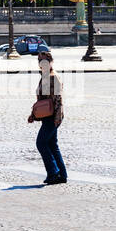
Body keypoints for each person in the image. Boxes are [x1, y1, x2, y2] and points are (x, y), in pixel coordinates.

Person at [29, 49, 66, 185]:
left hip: (53, 116)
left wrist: (57, 118)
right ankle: (62, 175)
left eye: (45, 61)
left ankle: (53, 172)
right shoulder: (45, 76)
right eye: (40, 61)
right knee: (52, 145)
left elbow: (58, 99)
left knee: (41, 143)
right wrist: (33, 114)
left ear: (51, 62)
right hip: (47, 115)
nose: (42, 63)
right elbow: (42, 100)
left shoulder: (52, 77)